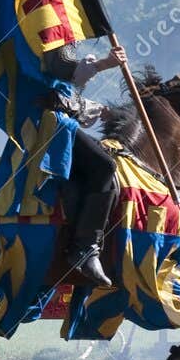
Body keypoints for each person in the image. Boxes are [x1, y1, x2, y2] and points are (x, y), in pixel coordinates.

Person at [41, 42, 129, 290]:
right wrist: (103, 64)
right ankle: (85, 248)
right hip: (51, 125)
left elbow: (70, 89)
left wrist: (100, 110)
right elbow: (60, 77)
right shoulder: (41, 40)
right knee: (104, 166)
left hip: (60, 119)